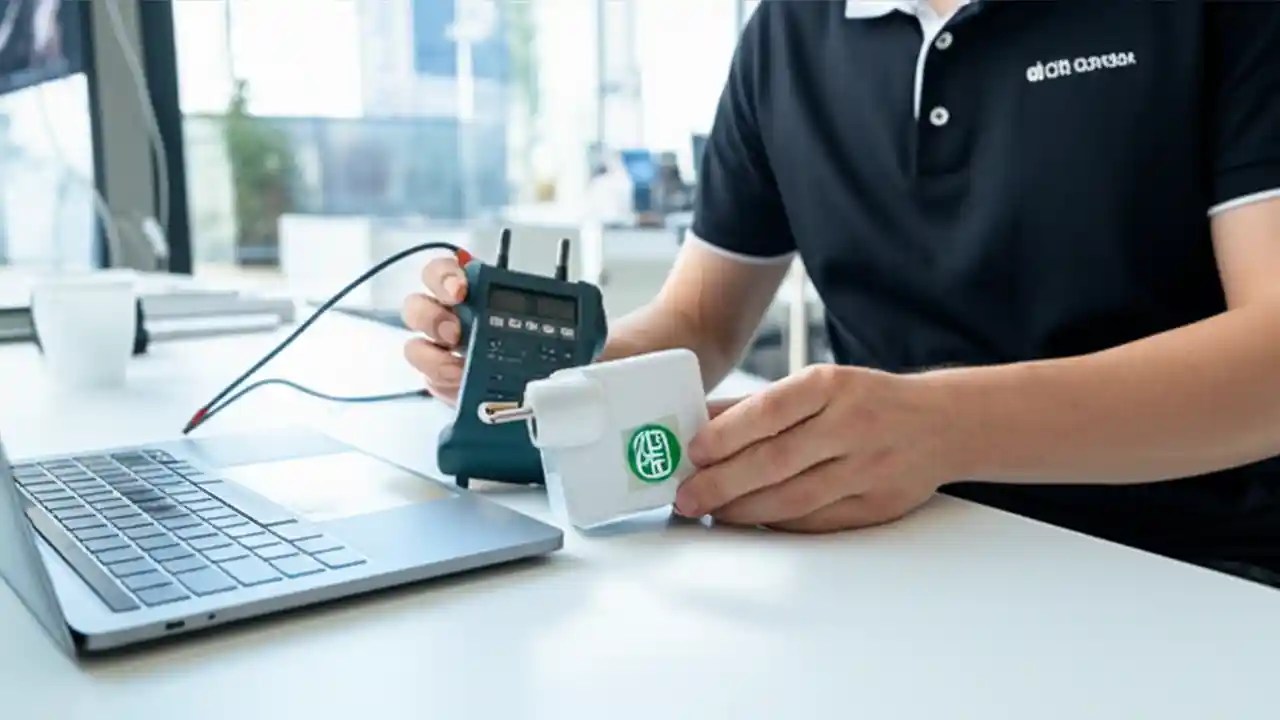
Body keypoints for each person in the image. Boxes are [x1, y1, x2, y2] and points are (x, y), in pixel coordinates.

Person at [403, 1, 1280, 586]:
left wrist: (947, 428)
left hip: (1189, 569)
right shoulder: (788, 30)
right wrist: (542, 374)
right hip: (876, 557)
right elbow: (701, 318)